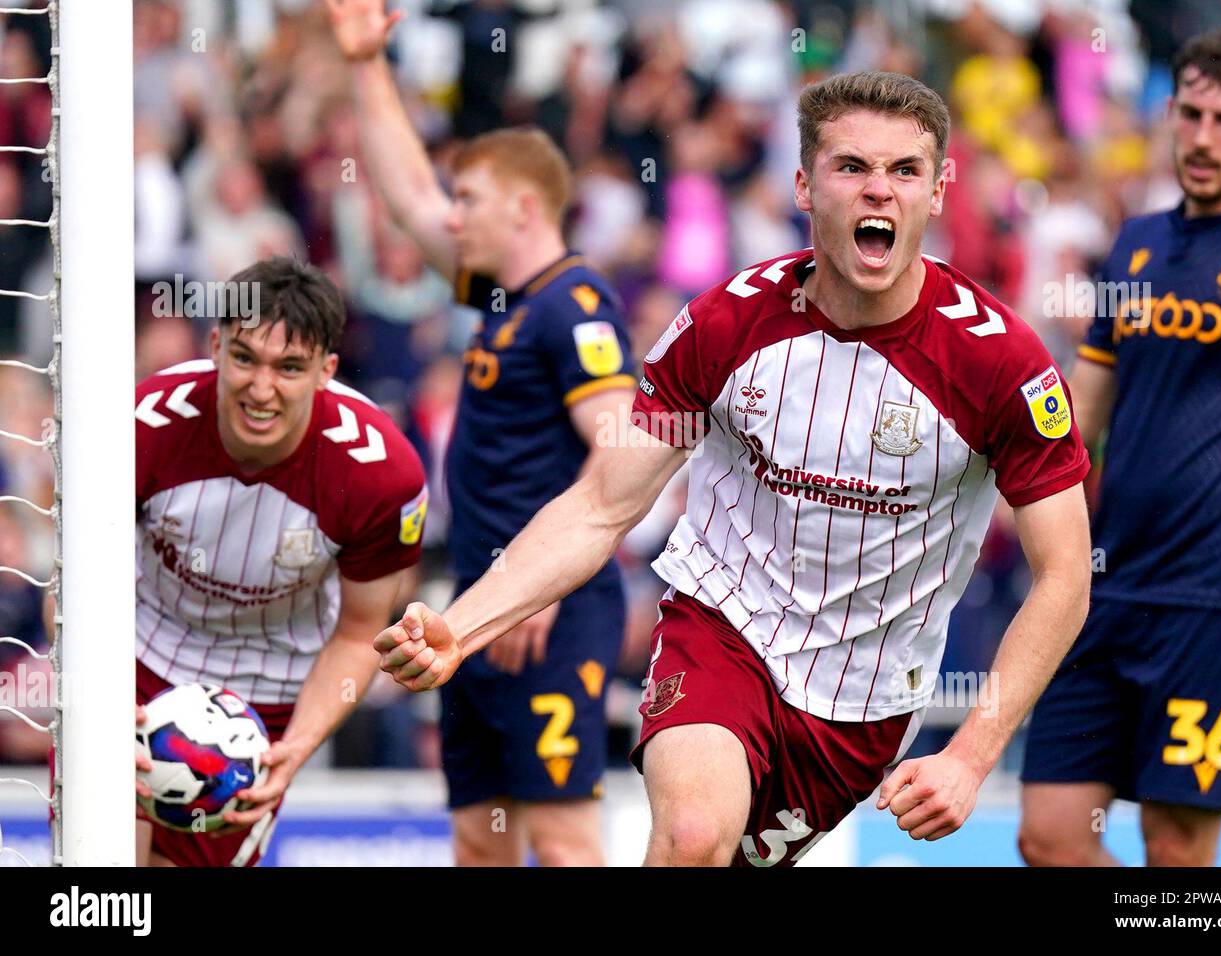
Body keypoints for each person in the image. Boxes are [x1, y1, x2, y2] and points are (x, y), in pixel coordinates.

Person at [374, 70, 1094, 867]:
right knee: (690, 838)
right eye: (851, 167)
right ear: (803, 185)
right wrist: (462, 627)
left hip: (862, 704)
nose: (878, 192)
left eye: (905, 171)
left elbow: (1064, 574)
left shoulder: (1001, 362)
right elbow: (601, 507)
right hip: (722, 627)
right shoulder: (723, 322)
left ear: (934, 191)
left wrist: (972, 753)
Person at [324, 0, 636, 866]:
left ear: (527, 206)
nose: (454, 216)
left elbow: (620, 455)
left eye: (472, 198)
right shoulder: (507, 301)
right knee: (477, 838)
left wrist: (543, 589)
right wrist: (364, 62)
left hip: (546, 613)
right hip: (474, 605)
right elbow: (411, 200)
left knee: (566, 842)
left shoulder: (575, 307)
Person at [1020, 29, 1221, 867]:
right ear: (1168, 112)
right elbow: (1083, 407)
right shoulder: (1136, 242)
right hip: (1105, 585)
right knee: (1050, 838)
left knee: (1175, 853)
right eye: (1190, 113)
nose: (1204, 137)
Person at [134, 256, 428, 866]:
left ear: (326, 371)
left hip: (266, 696)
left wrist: (296, 747)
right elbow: (72, 583)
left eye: (289, 367)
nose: (261, 389)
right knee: (98, 880)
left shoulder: (383, 476)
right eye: (245, 358)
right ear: (214, 346)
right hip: (135, 661)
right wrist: (102, 705)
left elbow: (357, 634)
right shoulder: (138, 425)